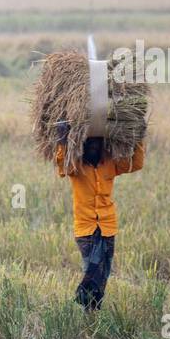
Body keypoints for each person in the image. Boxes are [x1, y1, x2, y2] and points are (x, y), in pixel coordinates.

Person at [55, 123, 144, 311]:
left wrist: (139, 139)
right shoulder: (76, 166)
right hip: (85, 228)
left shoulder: (110, 164)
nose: (95, 146)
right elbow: (63, 168)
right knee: (91, 270)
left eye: (98, 143)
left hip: (108, 226)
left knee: (103, 273)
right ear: (83, 145)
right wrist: (62, 141)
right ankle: (85, 307)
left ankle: (93, 311)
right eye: (91, 143)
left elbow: (135, 164)